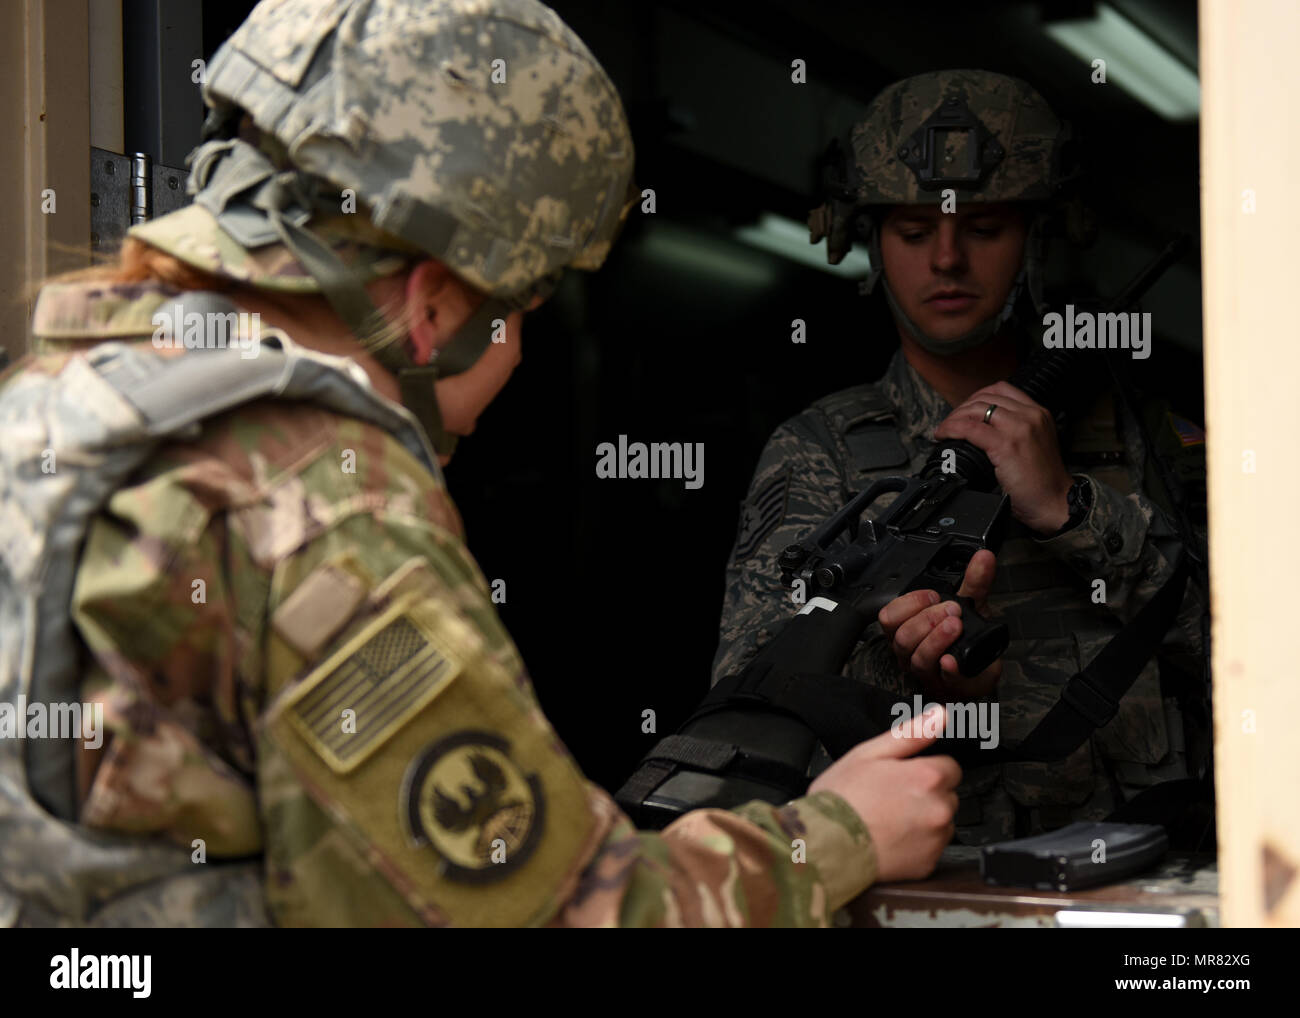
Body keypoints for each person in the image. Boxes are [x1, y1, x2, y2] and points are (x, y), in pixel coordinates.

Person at [0, 0, 960, 928]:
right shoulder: (324, 512)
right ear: (429, 306)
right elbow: (550, 916)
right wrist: (839, 835)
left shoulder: (50, 412)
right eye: (527, 309)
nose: (519, 355)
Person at [714, 70, 1210, 845]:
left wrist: (1076, 512)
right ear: (870, 242)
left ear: (1036, 239)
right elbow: (752, 713)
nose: (946, 258)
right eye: (914, 231)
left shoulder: (1151, 433)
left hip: (1149, 889)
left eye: (982, 228)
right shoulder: (817, 453)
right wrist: (921, 685)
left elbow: (1258, 663)